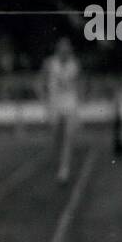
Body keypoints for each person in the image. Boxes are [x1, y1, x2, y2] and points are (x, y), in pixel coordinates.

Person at [40, 36, 81, 183]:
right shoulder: (50, 63)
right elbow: (42, 82)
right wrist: (45, 102)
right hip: (54, 103)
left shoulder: (74, 64)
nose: (64, 50)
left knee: (69, 136)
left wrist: (79, 104)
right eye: (62, 47)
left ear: (70, 49)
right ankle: (60, 161)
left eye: (67, 47)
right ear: (57, 49)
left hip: (70, 102)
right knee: (56, 135)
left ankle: (65, 168)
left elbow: (78, 84)